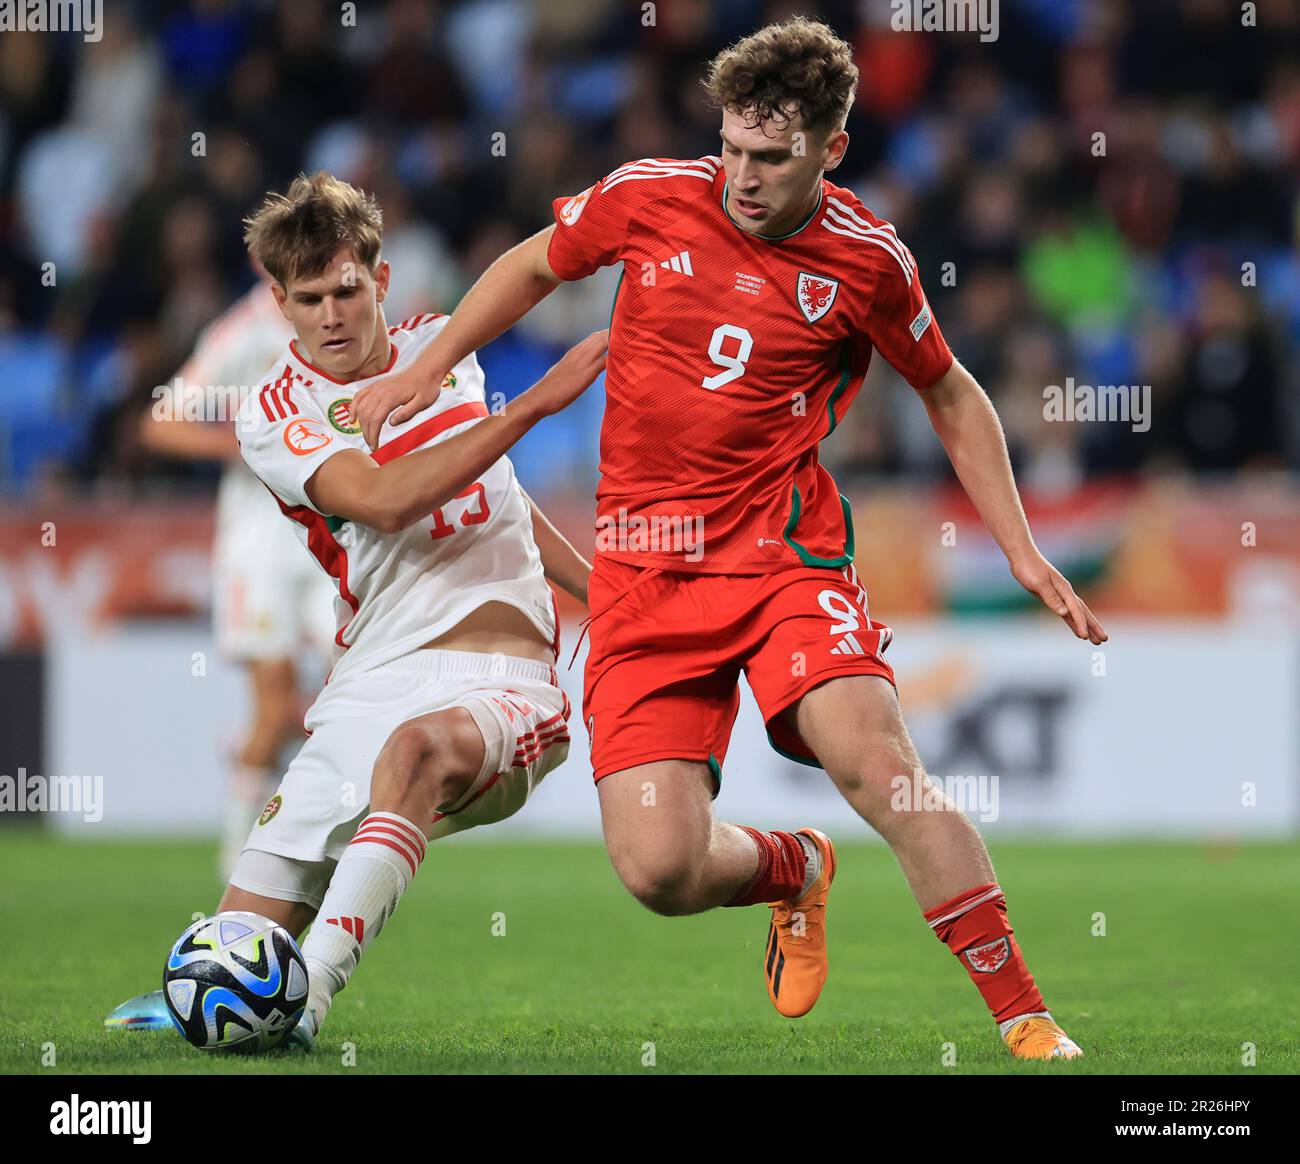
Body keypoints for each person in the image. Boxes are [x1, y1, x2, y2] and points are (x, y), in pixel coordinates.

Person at [349, 18, 1107, 1059]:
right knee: (658, 870)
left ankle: (1027, 1019)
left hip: (779, 557)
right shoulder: (647, 194)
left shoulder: (868, 261)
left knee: (880, 768)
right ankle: (794, 868)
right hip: (641, 579)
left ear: (829, 151)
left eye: (772, 157)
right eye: (732, 149)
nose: (742, 177)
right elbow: (532, 265)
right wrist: (418, 372)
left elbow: (951, 393)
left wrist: (1019, 549)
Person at [106, 171, 606, 1048]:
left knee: (415, 752)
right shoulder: (274, 411)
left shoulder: (444, 349)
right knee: (236, 953)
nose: (332, 314)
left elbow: (503, 496)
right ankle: (217, 998)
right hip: (369, 676)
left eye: (346, 289)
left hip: (501, 674)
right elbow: (382, 501)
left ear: (379, 280)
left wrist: (600, 596)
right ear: (280, 303)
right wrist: (533, 405)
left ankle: (313, 1000)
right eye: (309, 299)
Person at [139, 268, 337, 881]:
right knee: (276, 709)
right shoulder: (243, 332)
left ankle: (302, 831)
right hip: (261, 548)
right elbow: (160, 422)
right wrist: (247, 446)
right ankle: (240, 865)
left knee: (346, 699)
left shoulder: (342, 323)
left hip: (334, 536)